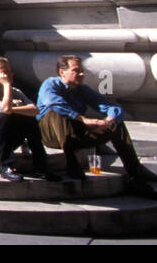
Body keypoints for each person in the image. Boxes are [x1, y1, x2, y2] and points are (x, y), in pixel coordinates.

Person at [37, 55, 157, 195]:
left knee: (117, 125)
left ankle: (135, 178)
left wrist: (108, 121)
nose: (82, 74)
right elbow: (53, 102)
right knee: (57, 111)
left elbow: (111, 107)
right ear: (62, 72)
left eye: (82, 70)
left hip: (75, 134)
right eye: (76, 70)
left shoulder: (82, 89)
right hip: (51, 135)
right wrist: (84, 120)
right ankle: (72, 164)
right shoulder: (50, 84)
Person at [0, 56, 59, 181]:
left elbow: (35, 110)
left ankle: (41, 167)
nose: (11, 74)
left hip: (7, 139)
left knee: (28, 118)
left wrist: (14, 109)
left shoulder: (15, 91)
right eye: (5, 71)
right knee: (4, 115)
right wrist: (6, 85)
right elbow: (4, 109)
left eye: (10, 71)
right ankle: (7, 166)